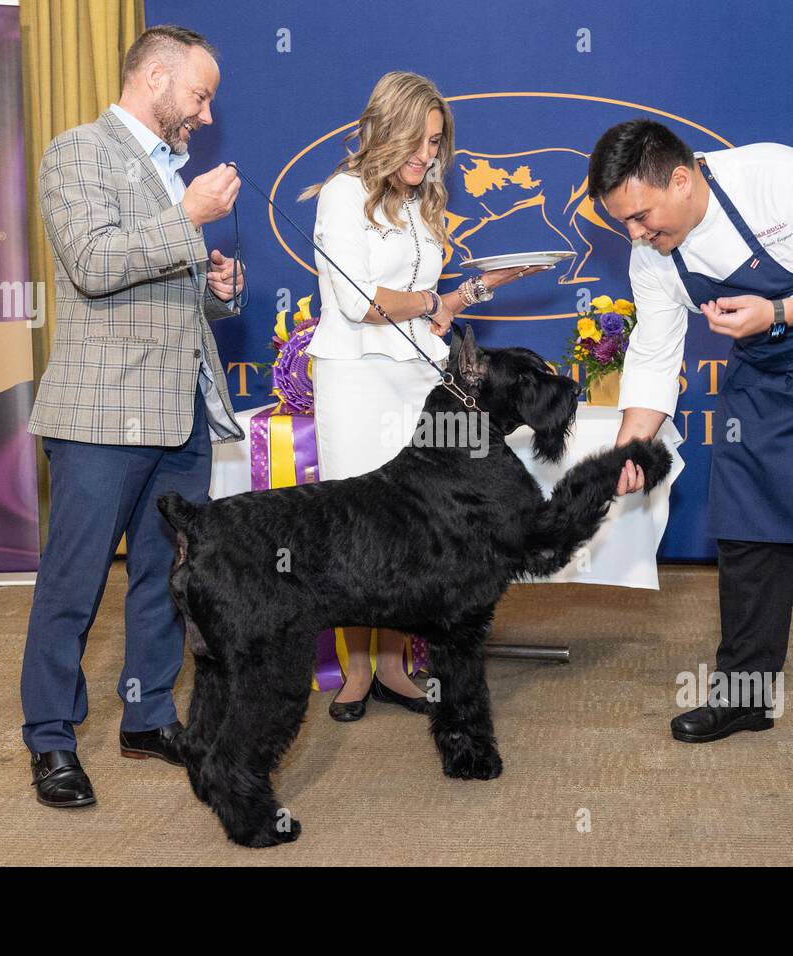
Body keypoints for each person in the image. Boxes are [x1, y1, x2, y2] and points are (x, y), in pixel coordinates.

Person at [592, 119, 793, 758]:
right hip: (767, 377)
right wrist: (632, 445)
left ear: (682, 180)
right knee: (748, 531)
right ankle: (745, 696)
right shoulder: (653, 255)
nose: (634, 234)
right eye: (624, 223)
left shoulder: (780, 176)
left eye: (641, 216)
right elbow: (656, 352)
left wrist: (782, 311)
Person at [20, 25, 246, 808]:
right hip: (98, 419)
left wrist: (215, 294)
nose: (206, 114)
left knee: (167, 580)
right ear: (154, 77)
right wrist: (185, 217)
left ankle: (147, 715)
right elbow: (91, 264)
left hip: (179, 413)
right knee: (73, 585)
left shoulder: (169, 172)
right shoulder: (78, 151)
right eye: (200, 93)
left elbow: (158, 299)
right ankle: (50, 737)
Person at [301, 71, 544, 721]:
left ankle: (391, 665)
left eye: (436, 142)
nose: (428, 155)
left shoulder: (420, 202)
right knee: (359, 527)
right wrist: (432, 302)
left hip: (417, 378)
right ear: (383, 129)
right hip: (356, 376)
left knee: (413, 530)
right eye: (417, 140)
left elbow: (430, 314)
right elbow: (359, 303)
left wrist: (483, 286)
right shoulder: (342, 195)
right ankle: (355, 671)